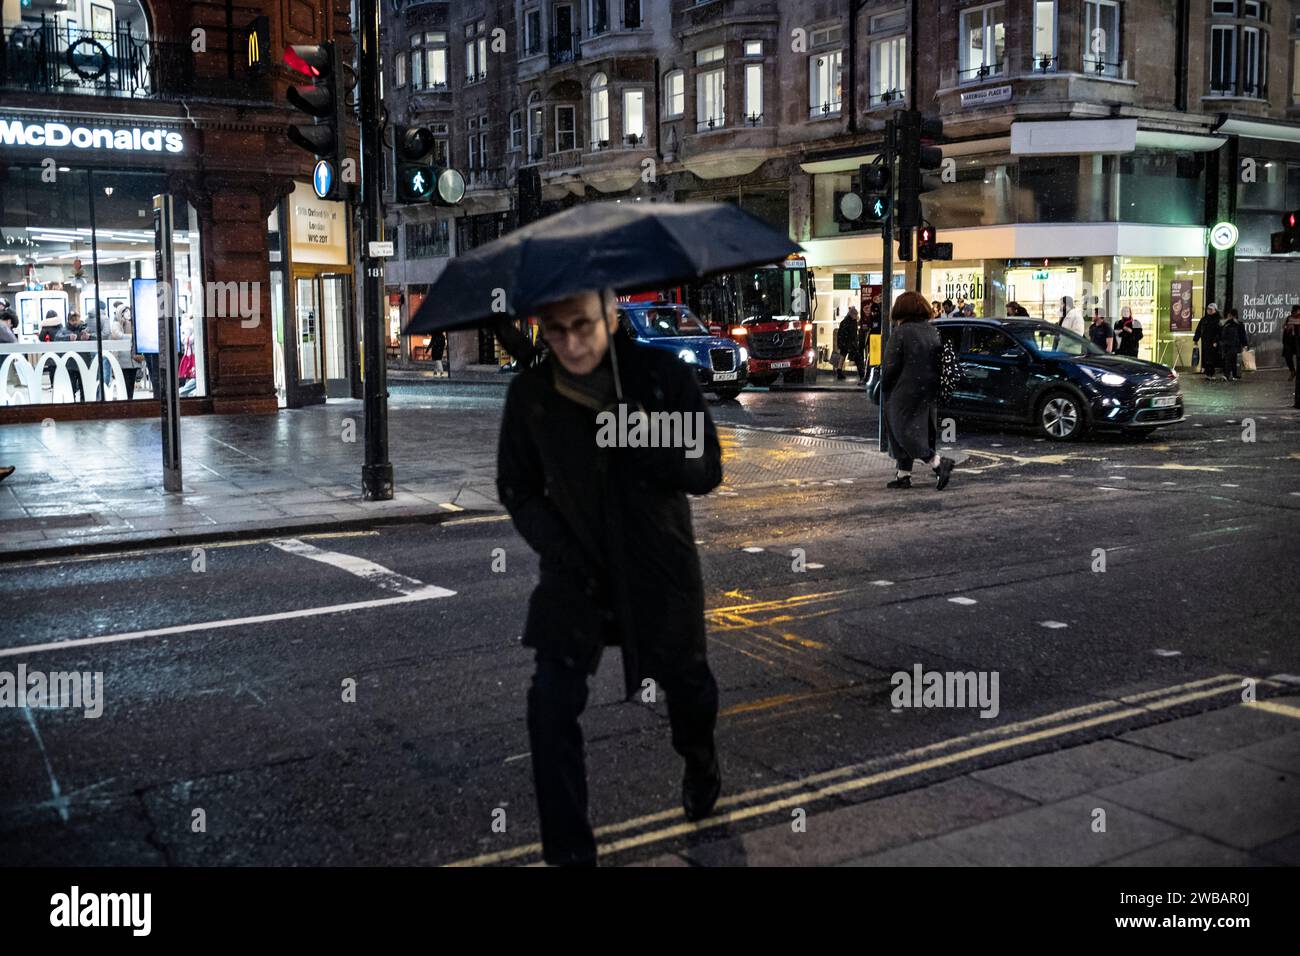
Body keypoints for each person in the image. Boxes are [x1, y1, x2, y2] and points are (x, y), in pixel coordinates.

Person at [497, 287, 723, 867]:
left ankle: (700, 760)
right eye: (554, 330)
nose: (570, 342)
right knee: (549, 708)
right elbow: (516, 488)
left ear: (611, 313)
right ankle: (570, 854)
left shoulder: (661, 375)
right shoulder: (532, 393)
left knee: (689, 687)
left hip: (658, 564)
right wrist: (557, 543)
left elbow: (707, 469)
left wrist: (647, 439)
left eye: (582, 325)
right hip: (576, 574)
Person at [880, 291, 956, 491]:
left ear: (901, 309)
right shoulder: (931, 330)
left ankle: (938, 463)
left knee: (901, 431)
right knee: (918, 430)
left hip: (904, 389)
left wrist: (884, 384)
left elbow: (890, 366)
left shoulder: (901, 332)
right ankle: (903, 475)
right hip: (928, 389)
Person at [110, 306, 143, 400]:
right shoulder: (116, 324)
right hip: (122, 360)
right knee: (124, 384)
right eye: (125, 312)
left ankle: (129, 400)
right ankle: (126, 401)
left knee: (130, 384)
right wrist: (132, 337)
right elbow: (117, 335)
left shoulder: (132, 323)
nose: (127, 313)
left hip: (132, 360)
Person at [1220, 307, 1249, 382]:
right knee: (1230, 360)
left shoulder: (1237, 324)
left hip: (1233, 345)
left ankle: (1231, 375)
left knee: (1233, 361)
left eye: (1230, 315)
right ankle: (1230, 375)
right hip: (1229, 346)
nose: (1229, 316)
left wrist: (1245, 344)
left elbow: (1242, 335)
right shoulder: (1227, 324)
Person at [1193, 303, 1222, 380]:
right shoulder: (1204, 319)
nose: (1209, 311)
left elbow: (1219, 332)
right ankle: (1207, 372)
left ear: (1215, 310)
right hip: (1205, 341)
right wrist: (1196, 339)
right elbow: (1198, 329)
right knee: (1206, 357)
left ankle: (1211, 373)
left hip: (1213, 342)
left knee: (1212, 358)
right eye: (1208, 309)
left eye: (1211, 310)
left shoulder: (1217, 320)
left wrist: (1216, 341)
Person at [835, 307, 857, 381]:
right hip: (847, 343)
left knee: (843, 356)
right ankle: (839, 371)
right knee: (845, 356)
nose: (856, 316)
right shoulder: (849, 322)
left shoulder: (847, 321)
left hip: (846, 342)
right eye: (855, 314)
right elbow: (849, 333)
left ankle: (839, 371)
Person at [1281, 304, 1300, 381]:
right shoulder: (1289, 318)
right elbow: (1284, 328)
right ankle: (1293, 371)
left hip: (1298, 341)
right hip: (1289, 341)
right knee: (1288, 356)